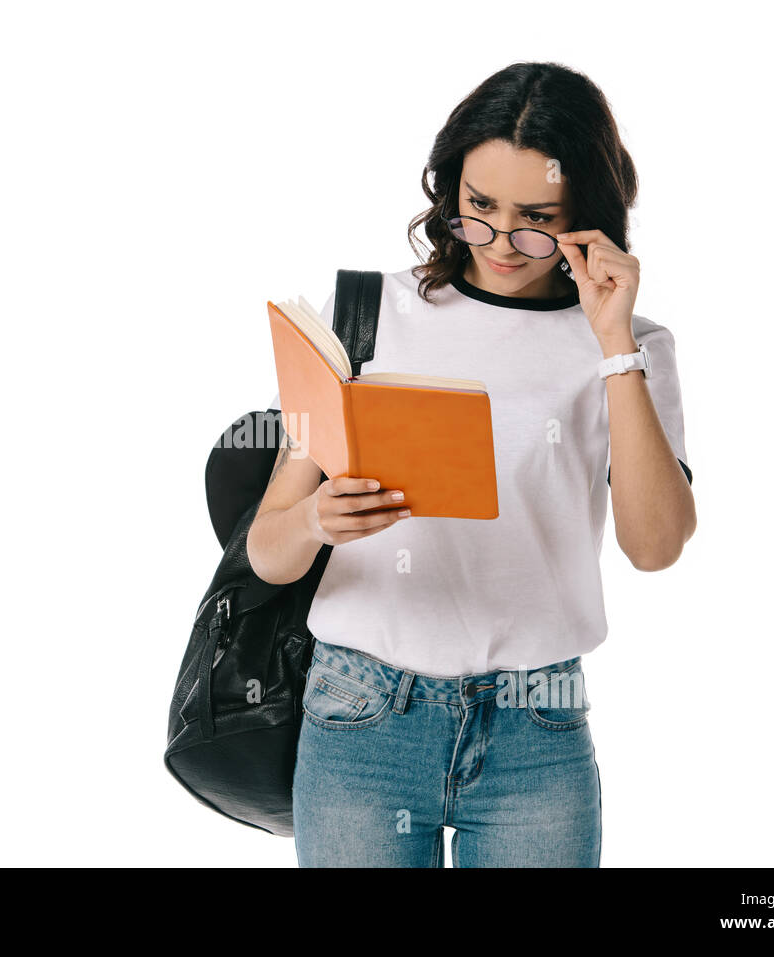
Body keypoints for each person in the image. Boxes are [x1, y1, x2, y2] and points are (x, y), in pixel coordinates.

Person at [247, 61, 696, 867]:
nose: (498, 242)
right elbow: (267, 551)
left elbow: (655, 545)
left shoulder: (633, 346)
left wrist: (613, 347)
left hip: (536, 726)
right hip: (362, 715)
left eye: (535, 219)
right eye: (477, 208)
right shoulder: (366, 313)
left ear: (586, 214)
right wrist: (318, 520)